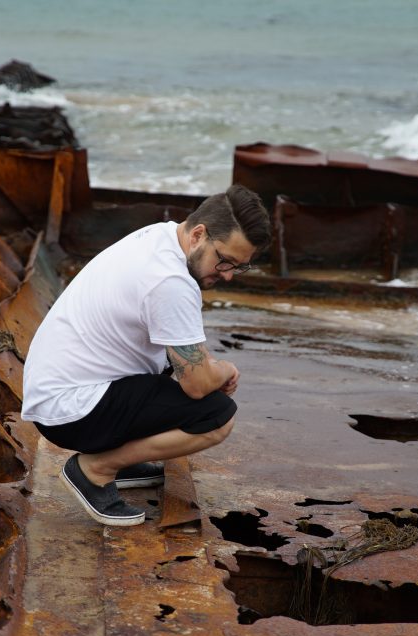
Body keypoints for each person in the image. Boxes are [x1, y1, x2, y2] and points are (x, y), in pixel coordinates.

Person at [20, 184, 272, 526]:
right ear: (199, 234)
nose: (227, 274)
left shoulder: (162, 236)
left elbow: (187, 350)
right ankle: (95, 469)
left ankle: (118, 457)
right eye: (225, 261)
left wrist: (207, 368)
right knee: (217, 416)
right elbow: (198, 386)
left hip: (58, 391)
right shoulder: (169, 281)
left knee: (177, 363)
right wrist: (224, 369)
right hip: (71, 412)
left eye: (238, 267)